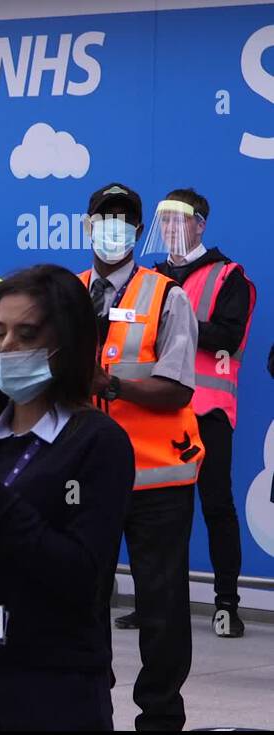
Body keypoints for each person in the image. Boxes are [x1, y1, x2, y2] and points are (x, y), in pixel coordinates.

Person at [0, 265, 135, 730]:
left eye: (26, 334)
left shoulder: (97, 442)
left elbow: (80, 574)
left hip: (53, 681)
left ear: (65, 344)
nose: (6, 348)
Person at [79, 182, 204, 731]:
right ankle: (88, 703)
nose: (112, 225)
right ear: (88, 226)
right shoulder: (70, 293)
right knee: (83, 594)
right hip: (87, 475)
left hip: (158, 475)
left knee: (161, 602)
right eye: (103, 216)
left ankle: (160, 718)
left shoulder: (166, 295)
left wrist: (110, 386)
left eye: (123, 218)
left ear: (136, 230)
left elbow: (177, 388)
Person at [147, 189, 256, 638]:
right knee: (156, 510)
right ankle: (154, 600)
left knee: (215, 505)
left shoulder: (229, 276)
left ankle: (227, 603)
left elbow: (228, 336)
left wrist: (173, 318)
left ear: (200, 224)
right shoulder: (152, 275)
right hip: (158, 405)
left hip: (207, 410)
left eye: (179, 220)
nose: (171, 229)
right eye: (165, 221)